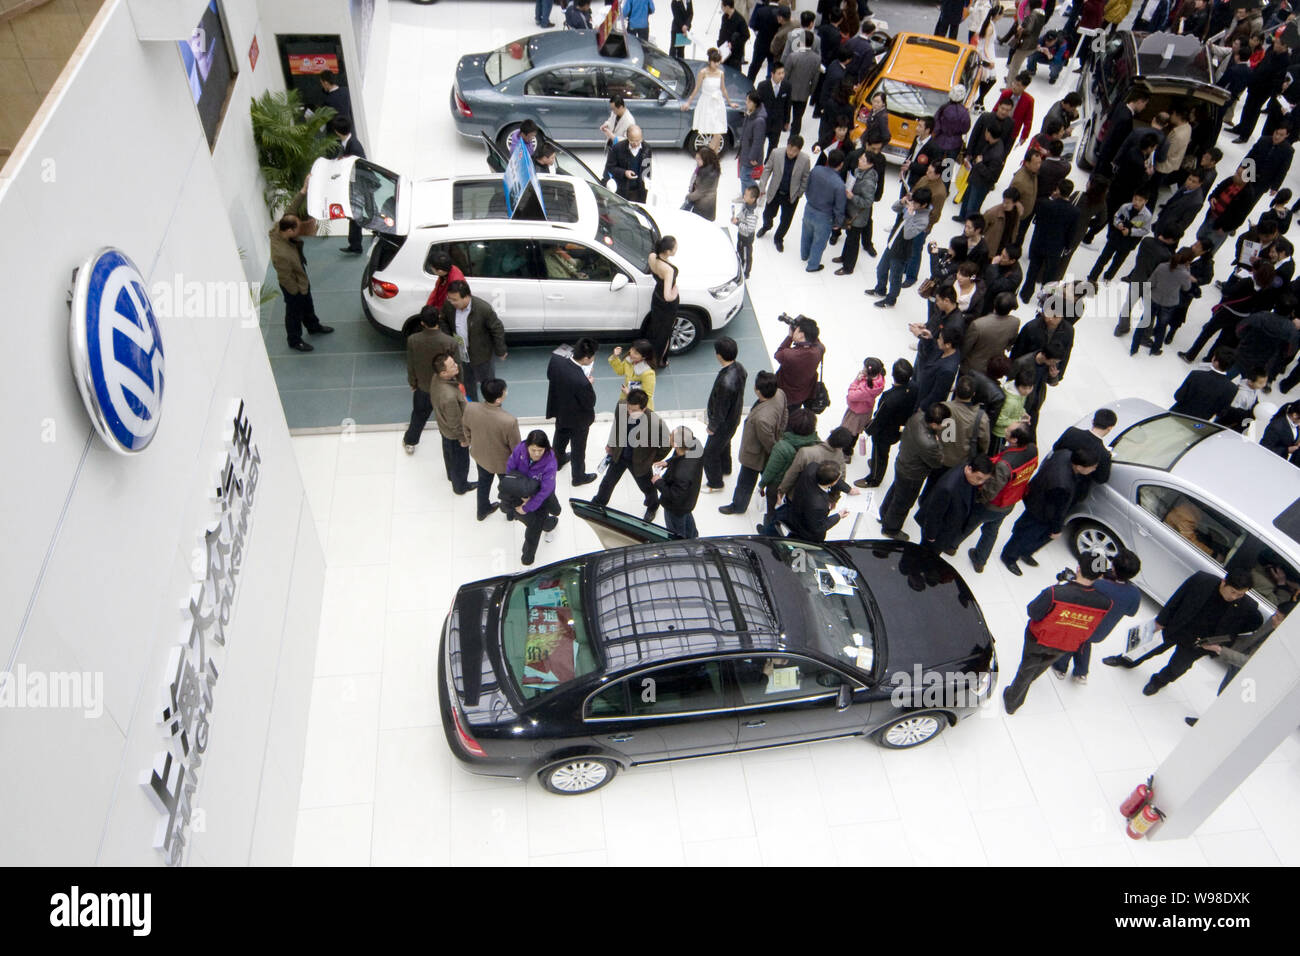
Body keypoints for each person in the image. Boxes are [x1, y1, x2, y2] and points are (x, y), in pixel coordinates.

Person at [1107, 569, 1264, 696]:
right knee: (1148, 645)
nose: (1235, 597)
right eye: (1233, 592)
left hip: (1201, 643)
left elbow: (1246, 626)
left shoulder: (1248, 605)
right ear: (1224, 582)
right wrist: (1161, 621)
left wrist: (1220, 640)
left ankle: (1158, 682)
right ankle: (1126, 660)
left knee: (1178, 667)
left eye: (1240, 594)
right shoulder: (1202, 580)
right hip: (1177, 626)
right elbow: (1177, 598)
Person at [1003, 559, 1114, 714]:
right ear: (1101, 576)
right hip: (1067, 644)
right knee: (1045, 663)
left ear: (1078, 568)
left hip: (1039, 639)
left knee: (1026, 668)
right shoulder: (1105, 603)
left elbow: (1033, 612)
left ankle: (1012, 701)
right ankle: (1031, 678)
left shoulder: (1055, 592)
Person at [999, 446, 1099, 574]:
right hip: (1041, 511)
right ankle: (1009, 557)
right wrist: (1056, 529)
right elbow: (1057, 509)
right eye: (1092, 467)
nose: (1094, 469)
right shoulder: (1063, 484)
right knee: (1026, 534)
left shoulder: (1064, 453)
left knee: (1025, 529)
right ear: (1080, 467)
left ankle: (1025, 552)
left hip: (1036, 496)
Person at [1052, 549, 1143, 682]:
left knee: (1072, 641)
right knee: (1084, 642)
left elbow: (1078, 589)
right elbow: (1131, 612)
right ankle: (1081, 672)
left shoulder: (1098, 584)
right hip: (1101, 631)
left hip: (1082, 623)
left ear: (1113, 567)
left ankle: (1060, 667)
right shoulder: (1135, 593)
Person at [268, 177, 334, 352]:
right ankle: (294, 340)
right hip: (292, 286)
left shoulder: (280, 227)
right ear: (289, 230)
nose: (299, 231)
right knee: (294, 312)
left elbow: (291, 209)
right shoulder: (280, 254)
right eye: (296, 229)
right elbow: (285, 278)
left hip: (299, 274)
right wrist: (298, 291)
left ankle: (313, 326)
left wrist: (304, 190)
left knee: (308, 304)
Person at [961, 423, 1038, 571]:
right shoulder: (1032, 450)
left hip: (993, 504)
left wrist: (979, 499)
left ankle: (951, 546)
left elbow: (991, 490)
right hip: (1010, 501)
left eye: (1008, 430)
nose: (1005, 430)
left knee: (969, 524)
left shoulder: (1004, 464)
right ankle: (980, 561)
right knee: (992, 530)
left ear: (1014, 440)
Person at [592, 389, 672, 520]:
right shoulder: (622, 406)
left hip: (640, 462)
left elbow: (666, 443)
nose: (630, 412)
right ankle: (598, 502)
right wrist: (611, 443)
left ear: (644, 407)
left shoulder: (655, 422)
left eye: (634, 410)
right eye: (629, 408)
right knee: (608, 482)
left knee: (647, 487)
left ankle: (653, 506)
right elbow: (616, 426)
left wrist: (652, 458)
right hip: (620, 455)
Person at [878, 403, 949, 541]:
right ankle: (890, 529)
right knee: (903, 502)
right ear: (934, 424)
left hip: (902, 462)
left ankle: (884, 514)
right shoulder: (929, 443)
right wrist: (939, 443)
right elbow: (936, 462)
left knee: (896, 490)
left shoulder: (917, 416)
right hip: (913, 474)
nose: (944, 426)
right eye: (943, 424)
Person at [721, 370, 788, 514]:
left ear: (757, 390)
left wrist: (775, 447)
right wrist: (780, 434)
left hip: (755, 455)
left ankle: (739, 506)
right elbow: (785, 414)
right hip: (770, 449)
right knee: (771, 478)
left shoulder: (762, 419)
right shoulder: (780, 394)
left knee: (745, 483)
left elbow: (768, 442)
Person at [463, 378, 522, 522]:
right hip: (503, 464)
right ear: (498, 399)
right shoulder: (509, 421)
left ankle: (482, 510)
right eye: (504, 391)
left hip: (480, 457)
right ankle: (510, 513)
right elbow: (516, 449)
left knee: (483, 483)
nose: (506, 392)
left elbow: (466, 428)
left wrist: (471, 442)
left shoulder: (471, 408)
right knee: (508, 489)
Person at [438, 279, 507, 403]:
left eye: (455, 299)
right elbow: (443, 321)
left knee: (488, 384)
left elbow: (497, 329)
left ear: (466, 297)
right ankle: (473, 407)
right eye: (450, 299)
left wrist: (500, 350)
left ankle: (491, 408)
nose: (451, 302)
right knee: (467, 383)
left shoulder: (483, 309)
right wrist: (449, 338)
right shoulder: (449, 306)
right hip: (462, 354)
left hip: (482, 355)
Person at [402, 307, 457, 454]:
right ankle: (453, 443)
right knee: (449, 417)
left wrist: (413, 382)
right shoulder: (449, 342)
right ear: (439, 318)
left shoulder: (413, 340)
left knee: (419, 415)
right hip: (445, 388)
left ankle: (410, 441)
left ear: (422, 323)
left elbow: (411, 364)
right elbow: (457, 366)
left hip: (424, 387)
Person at [546, 337, 599, 485]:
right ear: (587, 358)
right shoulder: (582, 382)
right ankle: (578, 477)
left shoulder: (557, 357)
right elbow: (589, 403)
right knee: (578, 448)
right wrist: (589, 383)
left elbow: (550, 375)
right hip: (578, 418)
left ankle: (558, 460)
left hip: (560, 409)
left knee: (560, 435)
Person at [856, 359, 916, 488]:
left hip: (884, 432)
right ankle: (876, 467)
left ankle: (874, 479)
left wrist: (867, 431)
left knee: (880, 454)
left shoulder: (889, 398)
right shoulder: (914, 387)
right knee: (883, 453)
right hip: (900, 427)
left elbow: (879, 418)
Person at [868, 186, 932, 306]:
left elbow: (908, 234)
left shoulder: (923, 220)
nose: (912, 203)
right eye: (912, 200)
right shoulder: (912, 207)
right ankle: (880, 289)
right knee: (881, 269)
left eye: (916, 203)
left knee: (895, 277)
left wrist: (910, 215)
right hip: (892, 243)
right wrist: (901, 202)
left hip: (902, 251)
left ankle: (891, 300)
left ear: (924, 205)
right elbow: (894, 208)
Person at [918, 457, 996, 553]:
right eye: (979, 478)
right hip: (939, 532)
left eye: (984, 480)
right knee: (927, 554)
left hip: (950, 525)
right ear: (969, 469)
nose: (980, 482)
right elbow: (934, 514)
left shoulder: (968, 476)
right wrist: (931, 535)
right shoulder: (948, 488)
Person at [1019, 179, 1079, 302]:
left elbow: (1037, 220)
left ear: (1058, 190)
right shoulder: (1075, 212)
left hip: (1039, 242)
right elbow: (1071, 232)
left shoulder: (1045, 204)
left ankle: (1026, 294)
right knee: (1050, 275)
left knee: (1033, 269)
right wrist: (1067, 246)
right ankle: (1046, 298)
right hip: (1056, 247)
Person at [509, 431, 562, 566]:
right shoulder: (519, 450)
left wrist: (527, 506)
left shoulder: (550, 462)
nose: (537, 453)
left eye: (541, 450)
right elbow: (510, 469)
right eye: (533, 450)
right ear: (527, 447)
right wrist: (523, 496)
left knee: (554, 509)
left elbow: (545, 491)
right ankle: (527, 559)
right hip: (523, 491)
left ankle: (551, 521)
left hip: (543, 495)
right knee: (535, 527)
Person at [761, 461, 851, 541]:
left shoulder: (812, 468)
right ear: (832, 483)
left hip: (794, 509)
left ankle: (767, 536)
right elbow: (819, 527)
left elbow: (830, 477)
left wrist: (848, 489)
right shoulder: (818, 504)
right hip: (805, 530)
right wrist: (838, 516)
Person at [703, 337, 748, 493]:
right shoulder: (740, 368)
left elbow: (721, 408)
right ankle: (725, 468)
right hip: (733, 418)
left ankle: (715, 483)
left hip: (722, 423)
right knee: (724, 443)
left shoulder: (725, 382)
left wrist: (712, 426)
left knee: (709, 453)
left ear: (719, 355)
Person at [760, 407, 821, 517]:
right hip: (800, 487)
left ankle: (768, 530)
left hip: (778, 485)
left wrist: (762, 484)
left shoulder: (782, 446)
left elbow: (771, 470)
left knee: (772, 511)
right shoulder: (817, 444)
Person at [429, 352, 476, 496]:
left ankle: (451, 475)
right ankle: (460, 486)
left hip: (444, 429)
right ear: (443, 372)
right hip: (454, 434)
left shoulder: (436, 378)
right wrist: (463, 439)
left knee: (448, 453)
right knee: (460, 461)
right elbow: (455, 422)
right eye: (452, 365)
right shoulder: (449, 396)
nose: (456, 365)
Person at [1052, 408, 1115, 508]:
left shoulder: (1071, 432)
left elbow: (1056, 448)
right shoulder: (1104, 454)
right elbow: (1101, 478)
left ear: (1093, 421)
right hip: (1072, 491)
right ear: (1110, 428)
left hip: (1052, 476)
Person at [1137, 248, 1194, 356]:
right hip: (1169, 303)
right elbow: (1186, 288)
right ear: (1188, 262)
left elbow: (1151, 282)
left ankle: (1139, 338)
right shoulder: (1185, 274)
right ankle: (1155, 349)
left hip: (1154, 297)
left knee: (1146, 318)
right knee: (1162, 326)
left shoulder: (1162, 266)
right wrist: (1188, 271)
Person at [758, 136, 812, 252]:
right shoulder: (776, 153)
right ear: (787, 145)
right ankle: (767, 226)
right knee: (767, 214)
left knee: (786, 220)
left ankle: (778, 238)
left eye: (794, 151)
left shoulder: (805, 160)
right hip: (775, 191)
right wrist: (762, 186)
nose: (791, 152)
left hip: (791, 195)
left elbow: (805, 178)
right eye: (789, 148)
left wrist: (799, 193)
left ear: (799, 150)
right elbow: (767, 169)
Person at [835, 146, 882, 275]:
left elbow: (868, 202)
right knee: (849, 238)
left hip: (858, 216)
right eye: (860, 158)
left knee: (853, 241)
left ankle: (848, 267)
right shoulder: (859, 171)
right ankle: (844, 257)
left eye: (863, 160)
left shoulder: (868, 182)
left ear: (870, 164)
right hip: (851, 211)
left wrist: (852, 197)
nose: (860, 161)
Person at [1089, 189, 1153, 283]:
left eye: (1140, 200)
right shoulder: (1125, 207)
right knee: (1103, 257)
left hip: (1128, 243)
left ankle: (1108, 277)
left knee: (1117, 262)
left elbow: (1145, 230)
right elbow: (1116, 217)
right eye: (1135, 199)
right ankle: (1092, 276)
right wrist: (1118, 224)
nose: (1136, 202)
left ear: (1145, 201)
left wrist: (1131, 232)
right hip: (1116, 237)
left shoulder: (1147, 216)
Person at [799, 149, 847, 272]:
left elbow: (806, 186)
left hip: (809, 208)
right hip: (824, 216)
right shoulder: (839, 185)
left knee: (806, 234)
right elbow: (839, 207)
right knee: (819, 242)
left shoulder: (816, 170)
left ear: (828, 159)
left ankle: (804, 255)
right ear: (841, 164)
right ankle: (813, 265)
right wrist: (838, 223)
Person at [653, 426, 706, 537]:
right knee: (687, 520)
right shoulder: (696, 446)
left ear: (676, 445)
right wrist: (668, 462)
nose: (669, 437)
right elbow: (679, 456)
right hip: (688, 500)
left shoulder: (682, 473)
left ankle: (681, 547)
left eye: (671, 437)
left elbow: (674, 495)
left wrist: (658, 482)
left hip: (676, 507)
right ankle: (693, 538)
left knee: (676, 533)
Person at [682, 48, 733, 154]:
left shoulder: (720, 73)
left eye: (718, 62)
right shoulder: (703, 72)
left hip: (718, 102)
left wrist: (730, 102)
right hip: (707, 103)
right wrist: (688, 102)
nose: (717, 64)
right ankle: (711, 155)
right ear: (710, 61)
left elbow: (723, 89)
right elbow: (696, 89)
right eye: (715, 62)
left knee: (718, 132)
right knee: (715, 131)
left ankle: (711, 156)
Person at [330, 115, 367, 254]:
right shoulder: (348, 143)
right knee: (353, 216)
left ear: (337, 132)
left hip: (357, 187)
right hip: (353, 186)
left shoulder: (354, 146)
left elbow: (359, 168)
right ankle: (355, 244)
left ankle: (356, 245)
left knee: (355, 215)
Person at [961, 291, 1021, 375]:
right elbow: (1011, 341)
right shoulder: (1015, 322)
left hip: (972, 368)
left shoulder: (978, 324)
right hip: (993, 368)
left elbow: (965, 347)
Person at [773, 316, 825, 408]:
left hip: (784, 396)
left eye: (796, 330)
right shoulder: (819, 350)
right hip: (803, 394)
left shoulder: (790, 355)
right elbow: (815, 340)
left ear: (801, 335)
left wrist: (789, 337)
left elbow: (778, 354)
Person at [841, 356, 886, 451]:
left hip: (856, 413)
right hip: (866, 410)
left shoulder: (866, 389)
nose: (862, 369)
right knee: (855, 432)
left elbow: (851, 396)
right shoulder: (879, 379)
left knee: (851, 432)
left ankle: (847, 451)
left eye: (864, 367)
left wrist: (856, 381)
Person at [646, 237, 678, 368]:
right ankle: (659, 360)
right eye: (675, 248)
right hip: (666, 305)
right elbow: (668, 296)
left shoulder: (652, 256)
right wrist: (675, 291)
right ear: (668, 251)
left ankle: (652, 356)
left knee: (656, 328)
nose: (677, 249)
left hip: (656, 297)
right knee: (664, 333)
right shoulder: (668, 270)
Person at [784, 29, 821, 141]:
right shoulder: (817, 59)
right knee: (798, 116)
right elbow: (815, 78)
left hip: (790, 89)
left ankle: (785, 125)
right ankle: (793, 137)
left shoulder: (793, 56)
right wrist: (811, 91)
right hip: (804, 91)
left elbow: (786, 75)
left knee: (786, 110)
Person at [605, 125, 652, 202]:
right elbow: (610, 167)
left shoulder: (647, 148)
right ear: (627, 138)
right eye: (633, 141)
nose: (636, 144)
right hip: (622, 190)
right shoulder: (617, 148)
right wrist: (624, 172)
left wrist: (648, 184)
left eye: (638, 140)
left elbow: (647, 169)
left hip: (640, 190)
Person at [755, 61, 792, 158]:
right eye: (779, 73)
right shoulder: (762, 86)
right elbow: (757, 104)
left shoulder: (787, 86)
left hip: (777, 122)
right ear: (772, 74)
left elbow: (787, 105)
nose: (781, 76)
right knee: (759, 145)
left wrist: (787, 121)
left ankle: (769, 163)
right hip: (764, 121)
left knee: (773, 146)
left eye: (783, 73)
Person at [608, 339, 658, 409]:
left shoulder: (648, 373)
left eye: (636, 353)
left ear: (644, 357)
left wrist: (630, 393)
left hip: (640, 406)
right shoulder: (628, 360)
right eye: (632, 349)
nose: (631, 353)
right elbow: (620, 371)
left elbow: (647, 396)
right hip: (626, 399)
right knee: (622, 417)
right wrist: (615, 357)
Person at [930, 85, 972, 165]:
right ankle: (945, 177)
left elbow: (936, 123)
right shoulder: (964, 113)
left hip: (939, 141)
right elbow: (965, 129)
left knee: (934, 165)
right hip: (955, 144)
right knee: (947, 170)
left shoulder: (944, 108)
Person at [1005, 1, 1047, 81]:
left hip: (1025, 45)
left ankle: (1009, 86)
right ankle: (1009, 81)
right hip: (1033, 44)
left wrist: (1020, 29)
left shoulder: (1032, 16)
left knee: (1014, 66)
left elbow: (1028, 29)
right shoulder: (1042, 15)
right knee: (1015, 64)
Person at [981, 188, 1022, 263]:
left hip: (1005, 249)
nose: (1004, 205)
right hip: (991, 250)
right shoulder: (992, 213)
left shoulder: (1017, 212)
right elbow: (981, 228)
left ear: (1015, 203)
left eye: (1008, 203)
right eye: (1004, 201)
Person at [683, 146, 721, 221]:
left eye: (698, 159)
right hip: (699, 201)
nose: (696, 161)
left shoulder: (709, 174)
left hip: (704, 206)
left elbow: (700, 192)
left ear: (706, 159)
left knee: (700, 222)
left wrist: (689, 197)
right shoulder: (704, 167)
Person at [733, 184, 761, 278]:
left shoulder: (753, 214)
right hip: (741, 235)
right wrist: (737, 218)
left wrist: (738, 223)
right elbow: (741, 214)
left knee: (746, 256)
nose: (744, 196)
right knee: (739, 251)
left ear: (753, 198)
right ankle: (739, 265)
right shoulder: (745, 204)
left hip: (746, 239)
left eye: (746, 195)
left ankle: (745, 274)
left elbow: (749, 229)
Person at [718, 0, 750, 71]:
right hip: (724, 51)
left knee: (734, 72)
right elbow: (722, 31)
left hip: (735, 54)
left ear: (727, 7)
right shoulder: (724, 17)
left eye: (722, 6)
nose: (721, 8)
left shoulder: (740, 20)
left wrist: (733, 44)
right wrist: (720, 43)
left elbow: (746, 35)